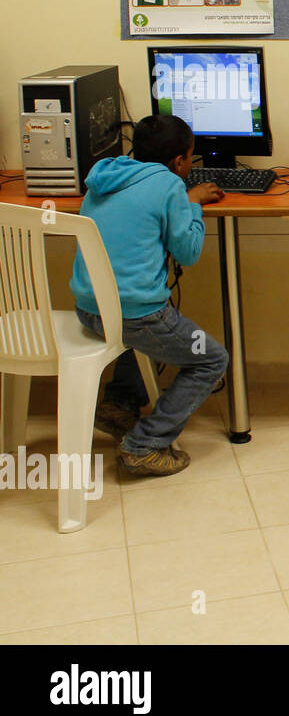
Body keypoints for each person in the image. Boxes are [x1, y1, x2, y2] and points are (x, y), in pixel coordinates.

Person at [71, 115, 230, 477]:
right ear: (178, 162)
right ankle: (144, 444)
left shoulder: (105, 174)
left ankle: (118, 404)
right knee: (210, 360)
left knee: (145, 333)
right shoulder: (168, 188)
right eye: (191, 157)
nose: (191, 164)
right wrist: (191, 203)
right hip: (135, 314)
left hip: (90, 309)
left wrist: (183, 198)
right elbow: (188, 252)